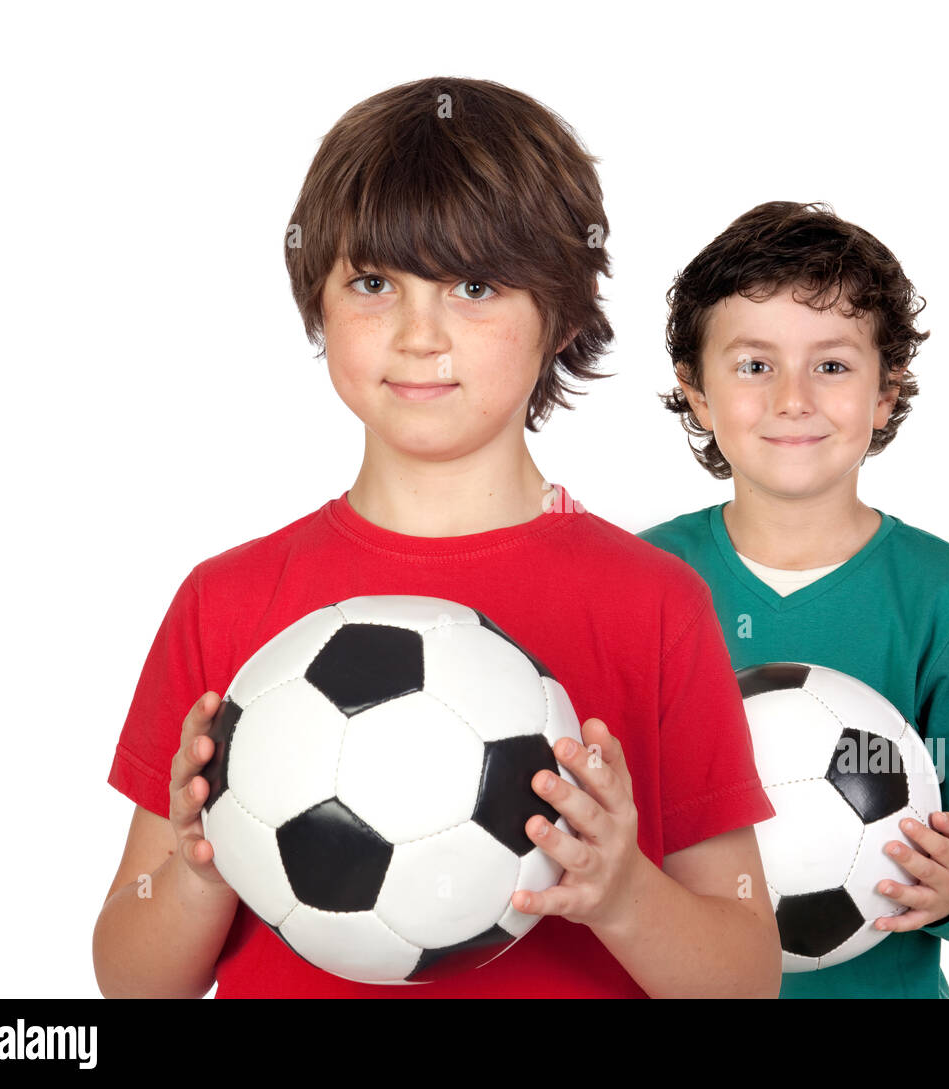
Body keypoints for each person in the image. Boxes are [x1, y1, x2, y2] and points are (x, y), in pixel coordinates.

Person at [92, 77, 780, 999]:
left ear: (563, 316)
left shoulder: (653, 600)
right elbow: (131, 982)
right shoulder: (228, 599)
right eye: (374, 283)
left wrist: (623, 895)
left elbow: (745, 977)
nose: (420, 335)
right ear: (318, 303)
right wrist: (197, 870)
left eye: (474, 286)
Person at [636, 201, 949, 998]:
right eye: (755, 365)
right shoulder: (642, 579)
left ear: (886, 393)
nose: (794, 397)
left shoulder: (945, 594)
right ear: (697, 394)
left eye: (832, 365)